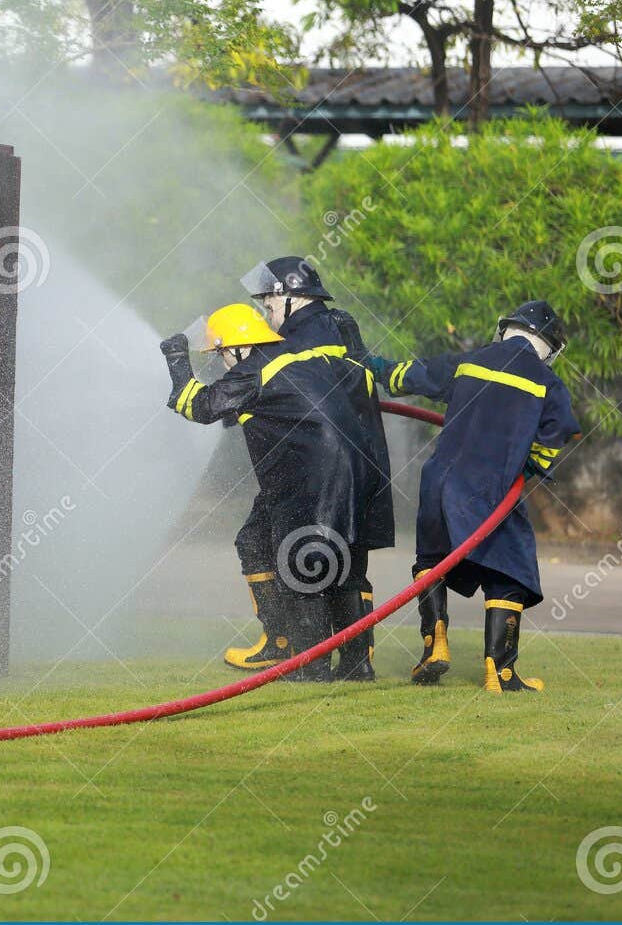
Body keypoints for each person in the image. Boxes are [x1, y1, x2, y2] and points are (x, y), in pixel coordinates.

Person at [366, 301, 580, 692]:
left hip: (437, 481)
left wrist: (376, 367)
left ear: (506, 329)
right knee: (511, 572)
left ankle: (434, 647)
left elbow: (411, 375)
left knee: (431, 562)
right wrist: (529, 465)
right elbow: (556, 433)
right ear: (549, 347)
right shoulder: (547, 383)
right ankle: (500, 672)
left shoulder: (469, 360)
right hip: (491, 488)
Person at [161, 304, 381, 680]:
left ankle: (310, 668)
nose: (222, 363)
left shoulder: (252, 371)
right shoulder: (284, 361)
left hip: (308, 479)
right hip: (336, 473)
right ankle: (344, 662)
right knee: (265, 543)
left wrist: (178, 360)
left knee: (302, 563)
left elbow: (198, 405)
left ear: (239, 348)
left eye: (220, 354)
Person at [232, 257, 395, 680]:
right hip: (358, 460)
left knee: (298, 553)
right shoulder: (339, 324)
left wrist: (236, 378)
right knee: (347, 560)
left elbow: (274, 388)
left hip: (311, 468)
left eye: (270, 300)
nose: (267, 309)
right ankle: (357, 663)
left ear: (291, 296)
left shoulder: (297, 339)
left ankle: (302, 657)